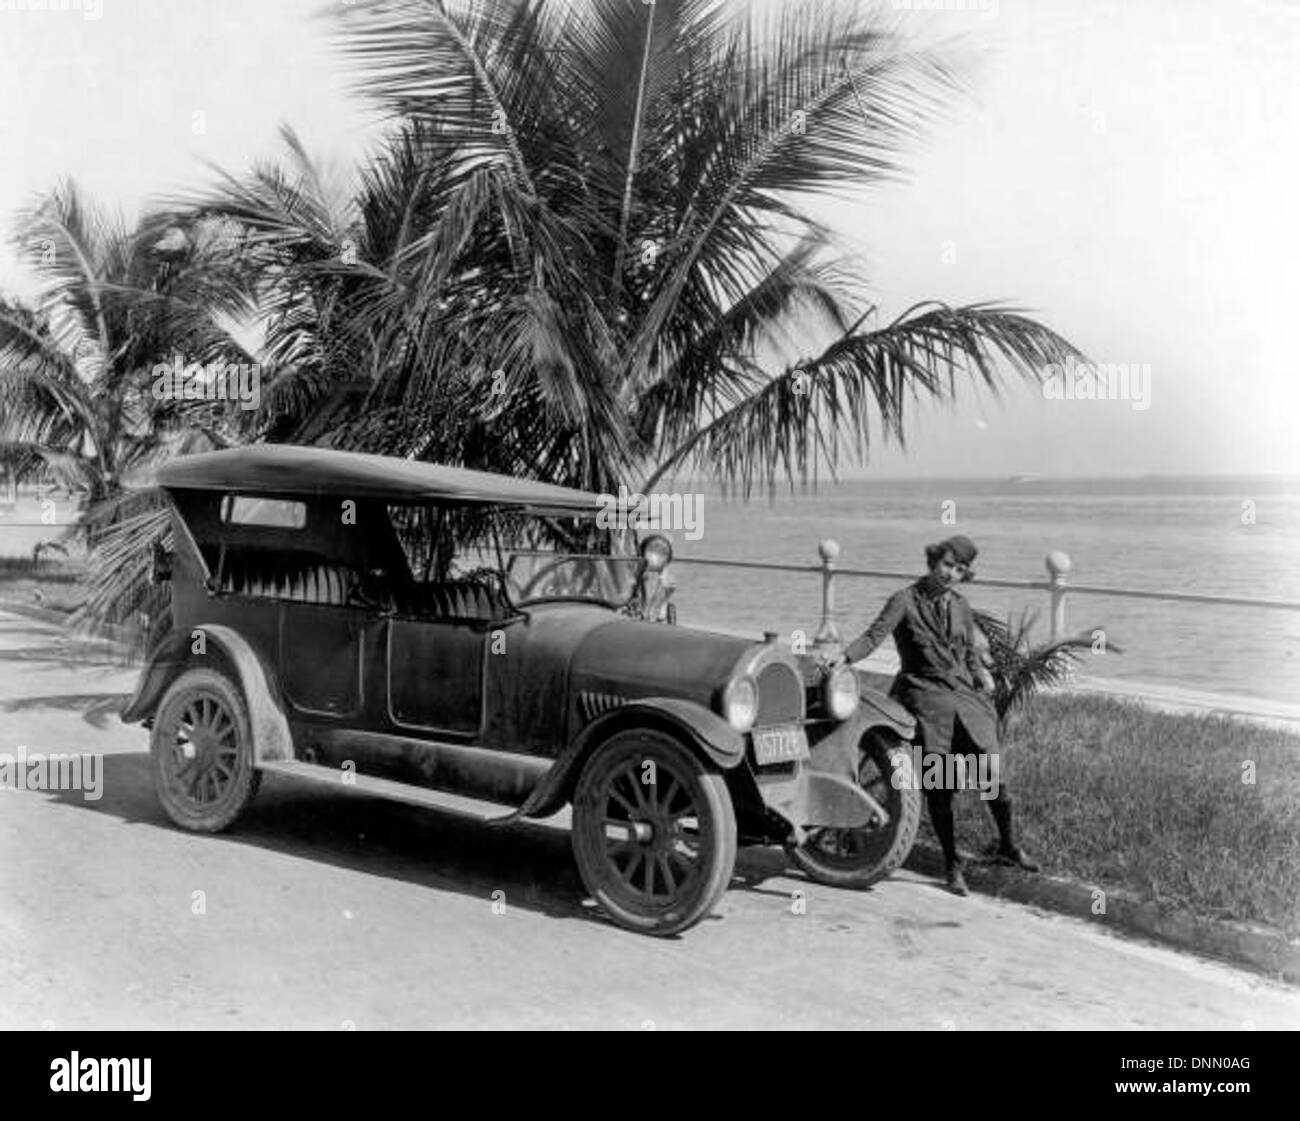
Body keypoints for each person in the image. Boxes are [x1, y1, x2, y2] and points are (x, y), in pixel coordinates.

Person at [821, 534, 1038, 896]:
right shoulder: (904, 601)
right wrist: (844, 658)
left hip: (968, 703)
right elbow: (874, 636)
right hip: (927, 705)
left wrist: (980, 674)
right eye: (947, 565)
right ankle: (952, 865)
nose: (952, 574)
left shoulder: (960, 605)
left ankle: (1008, 847)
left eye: (960, 569)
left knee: (993, 782)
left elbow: (967, 650)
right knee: (942, 788)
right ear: (934, 561)